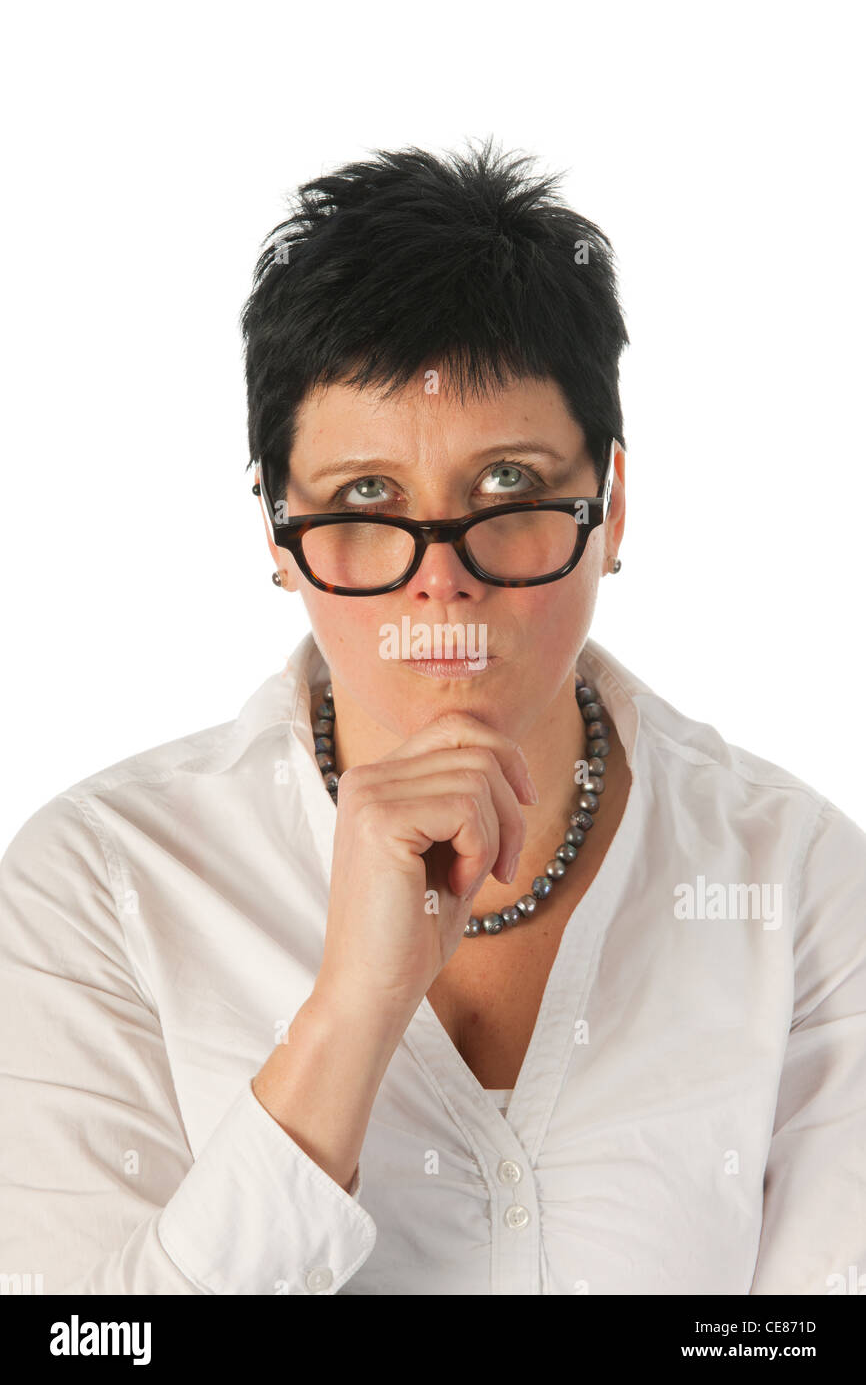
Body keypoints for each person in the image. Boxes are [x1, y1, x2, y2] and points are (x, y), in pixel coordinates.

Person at [1, 139, 864, 1297]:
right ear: (273, 528)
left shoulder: (799, 881)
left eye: (507, 487)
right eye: (367, 497)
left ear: (609, 508)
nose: (439, 583)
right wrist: (349, 1014)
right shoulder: (99, 884)